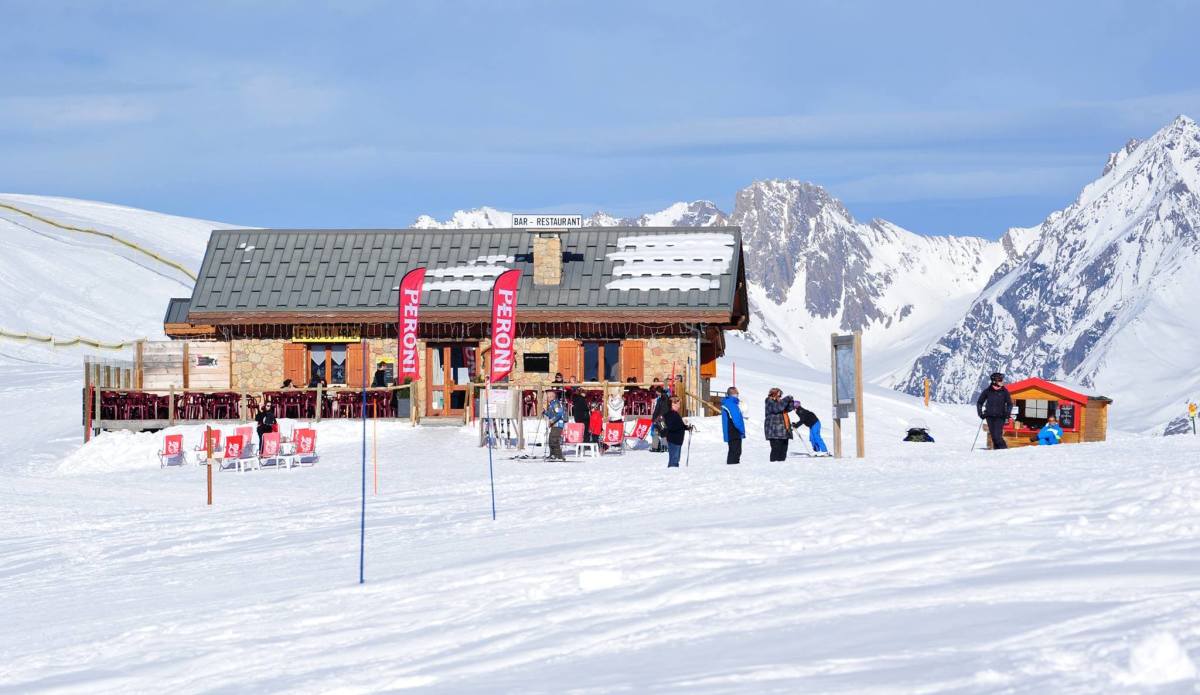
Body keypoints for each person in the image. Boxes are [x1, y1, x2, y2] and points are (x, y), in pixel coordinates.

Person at [976, 372, 1014, 450]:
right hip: (989, 417)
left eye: (1002, 379)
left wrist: (1007, 413)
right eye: (1000, 380)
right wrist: (980, 413)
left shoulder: (1004, 392)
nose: (1002, 381)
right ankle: (997, 453)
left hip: (1000, 417)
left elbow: (1010, 404)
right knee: (994, 437)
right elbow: (979, 402)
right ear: (994, 381)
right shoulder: (987, 391)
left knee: (997, 436)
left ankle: (1005, 451)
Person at [764, 388, 794, 461]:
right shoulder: (769, 401)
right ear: (773, 394)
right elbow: (777, 408)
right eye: (778, 395)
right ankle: (773, 467)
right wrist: (786, 399)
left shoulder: (780, 402)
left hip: (784, 432)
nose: (780, 397)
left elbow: (789, 408)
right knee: (776, 451)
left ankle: (781, 469)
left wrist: (790, 401)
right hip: (775, 433)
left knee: (783, 452)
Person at [663, 397, 693, 467]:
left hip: (676, 440)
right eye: (678, 404)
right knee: (674, 460)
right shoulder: (671, 414)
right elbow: (671, 427)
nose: (679, 406)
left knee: (675, 459)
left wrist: (686, 427)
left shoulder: (674, 414)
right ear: (673, 404)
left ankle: (673, 473)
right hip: (674, 440)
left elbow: (677, 425)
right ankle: (672, 474)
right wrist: (682, 426)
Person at [720, 387, 746, 465]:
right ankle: (732, 469)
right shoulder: (731, 403)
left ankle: (733, 467)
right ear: (732, 393)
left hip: (732, 431)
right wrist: (741, 430)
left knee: (734, 451)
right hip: (734, 431)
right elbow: (736, 419)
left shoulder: (731, 403)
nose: (738, 394)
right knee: (735, 452)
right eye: (737, 393)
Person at [542, 392, 568, 461]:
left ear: (552, 396)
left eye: (548, 396)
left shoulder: (556, 403)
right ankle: (552, 454)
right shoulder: (551, 404)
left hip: (558, 424)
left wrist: (552, 421)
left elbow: (559, 414)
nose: (547, 398)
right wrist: (545, 412)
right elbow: (552, 414)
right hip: (554, 425)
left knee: (554, 439)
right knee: (551, 439)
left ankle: (559, 456)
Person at [650, 386, 671, 452]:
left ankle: (657, 447)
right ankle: (663, 446)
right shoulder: (668, 398)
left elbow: (657, 410)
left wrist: (654, 418)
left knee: (657, 431)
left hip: (660, 418)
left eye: (656, 391)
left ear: (658, 392)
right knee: (663, 432)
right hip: (666, 417)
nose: (656, 393)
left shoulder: (660, 399)